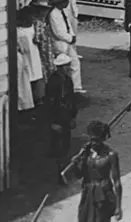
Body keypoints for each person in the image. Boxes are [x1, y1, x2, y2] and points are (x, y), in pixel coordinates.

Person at [64, 121, 123, 222]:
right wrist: (75, 163)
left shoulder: (111, 155)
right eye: (91, 140)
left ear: (103, 139)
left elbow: (117, 182)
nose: (93, 143)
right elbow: (79, 175)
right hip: (88, 195)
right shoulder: (86, 153)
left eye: (96, 140)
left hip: (104, 195)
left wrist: (118, 207)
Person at [46, 53, 77, 182]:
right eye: (66, 66)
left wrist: (73, 116)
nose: (68, 68)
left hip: (66, 117)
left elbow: (72, 100)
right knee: (57, 147)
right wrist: (52, 123)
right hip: (57, 118)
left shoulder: (68, 80)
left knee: (65, 145)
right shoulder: (53, 82)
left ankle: (64, 170)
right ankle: (57, 173)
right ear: (60, 67)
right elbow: (49, 104)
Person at [49, 0, 84, 94]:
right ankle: (64, 89)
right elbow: (58, 32)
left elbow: (68, 25)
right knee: (63, 66)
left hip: (68, 42)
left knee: (75, 63)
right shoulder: (53, 14)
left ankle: (76, 87)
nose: (67, 3)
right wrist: (69, 38)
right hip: (61, 43)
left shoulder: (62, 12)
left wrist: (73, 36)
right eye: (65, 1)